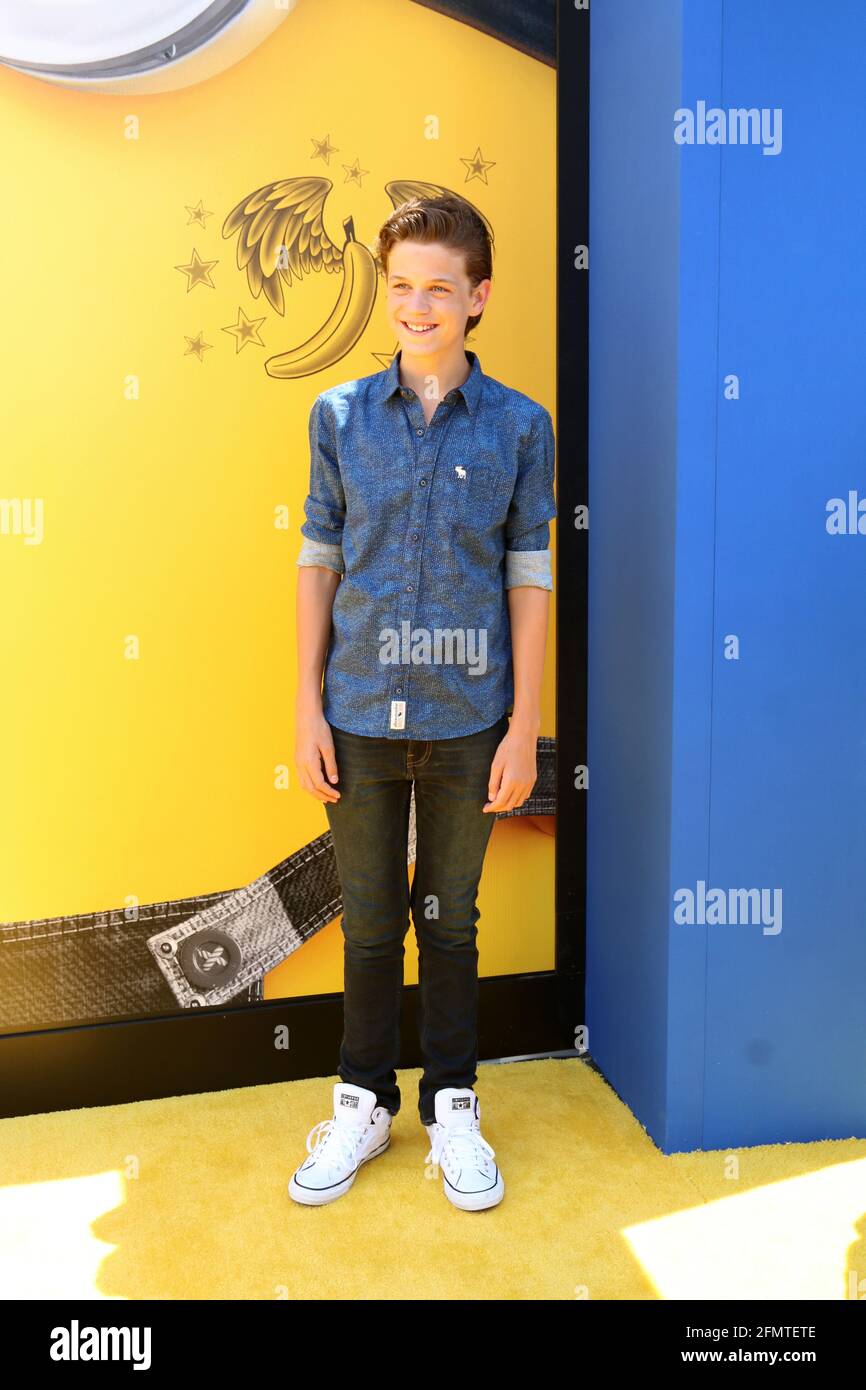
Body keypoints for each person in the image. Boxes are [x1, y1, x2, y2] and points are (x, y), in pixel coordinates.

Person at [288, 192, 556, 1211]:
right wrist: (306, 707)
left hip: (465, 722)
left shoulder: (519, 426)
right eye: (400, 286)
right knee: (368, 923)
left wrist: (521, 720)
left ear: (477, 297)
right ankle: (360, 1100)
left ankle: (452, 1104)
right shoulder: (338, 418)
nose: (416, 305)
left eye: (438, 288)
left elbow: (526, 577)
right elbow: (317, 563)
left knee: (446, 921)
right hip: (353, 714)